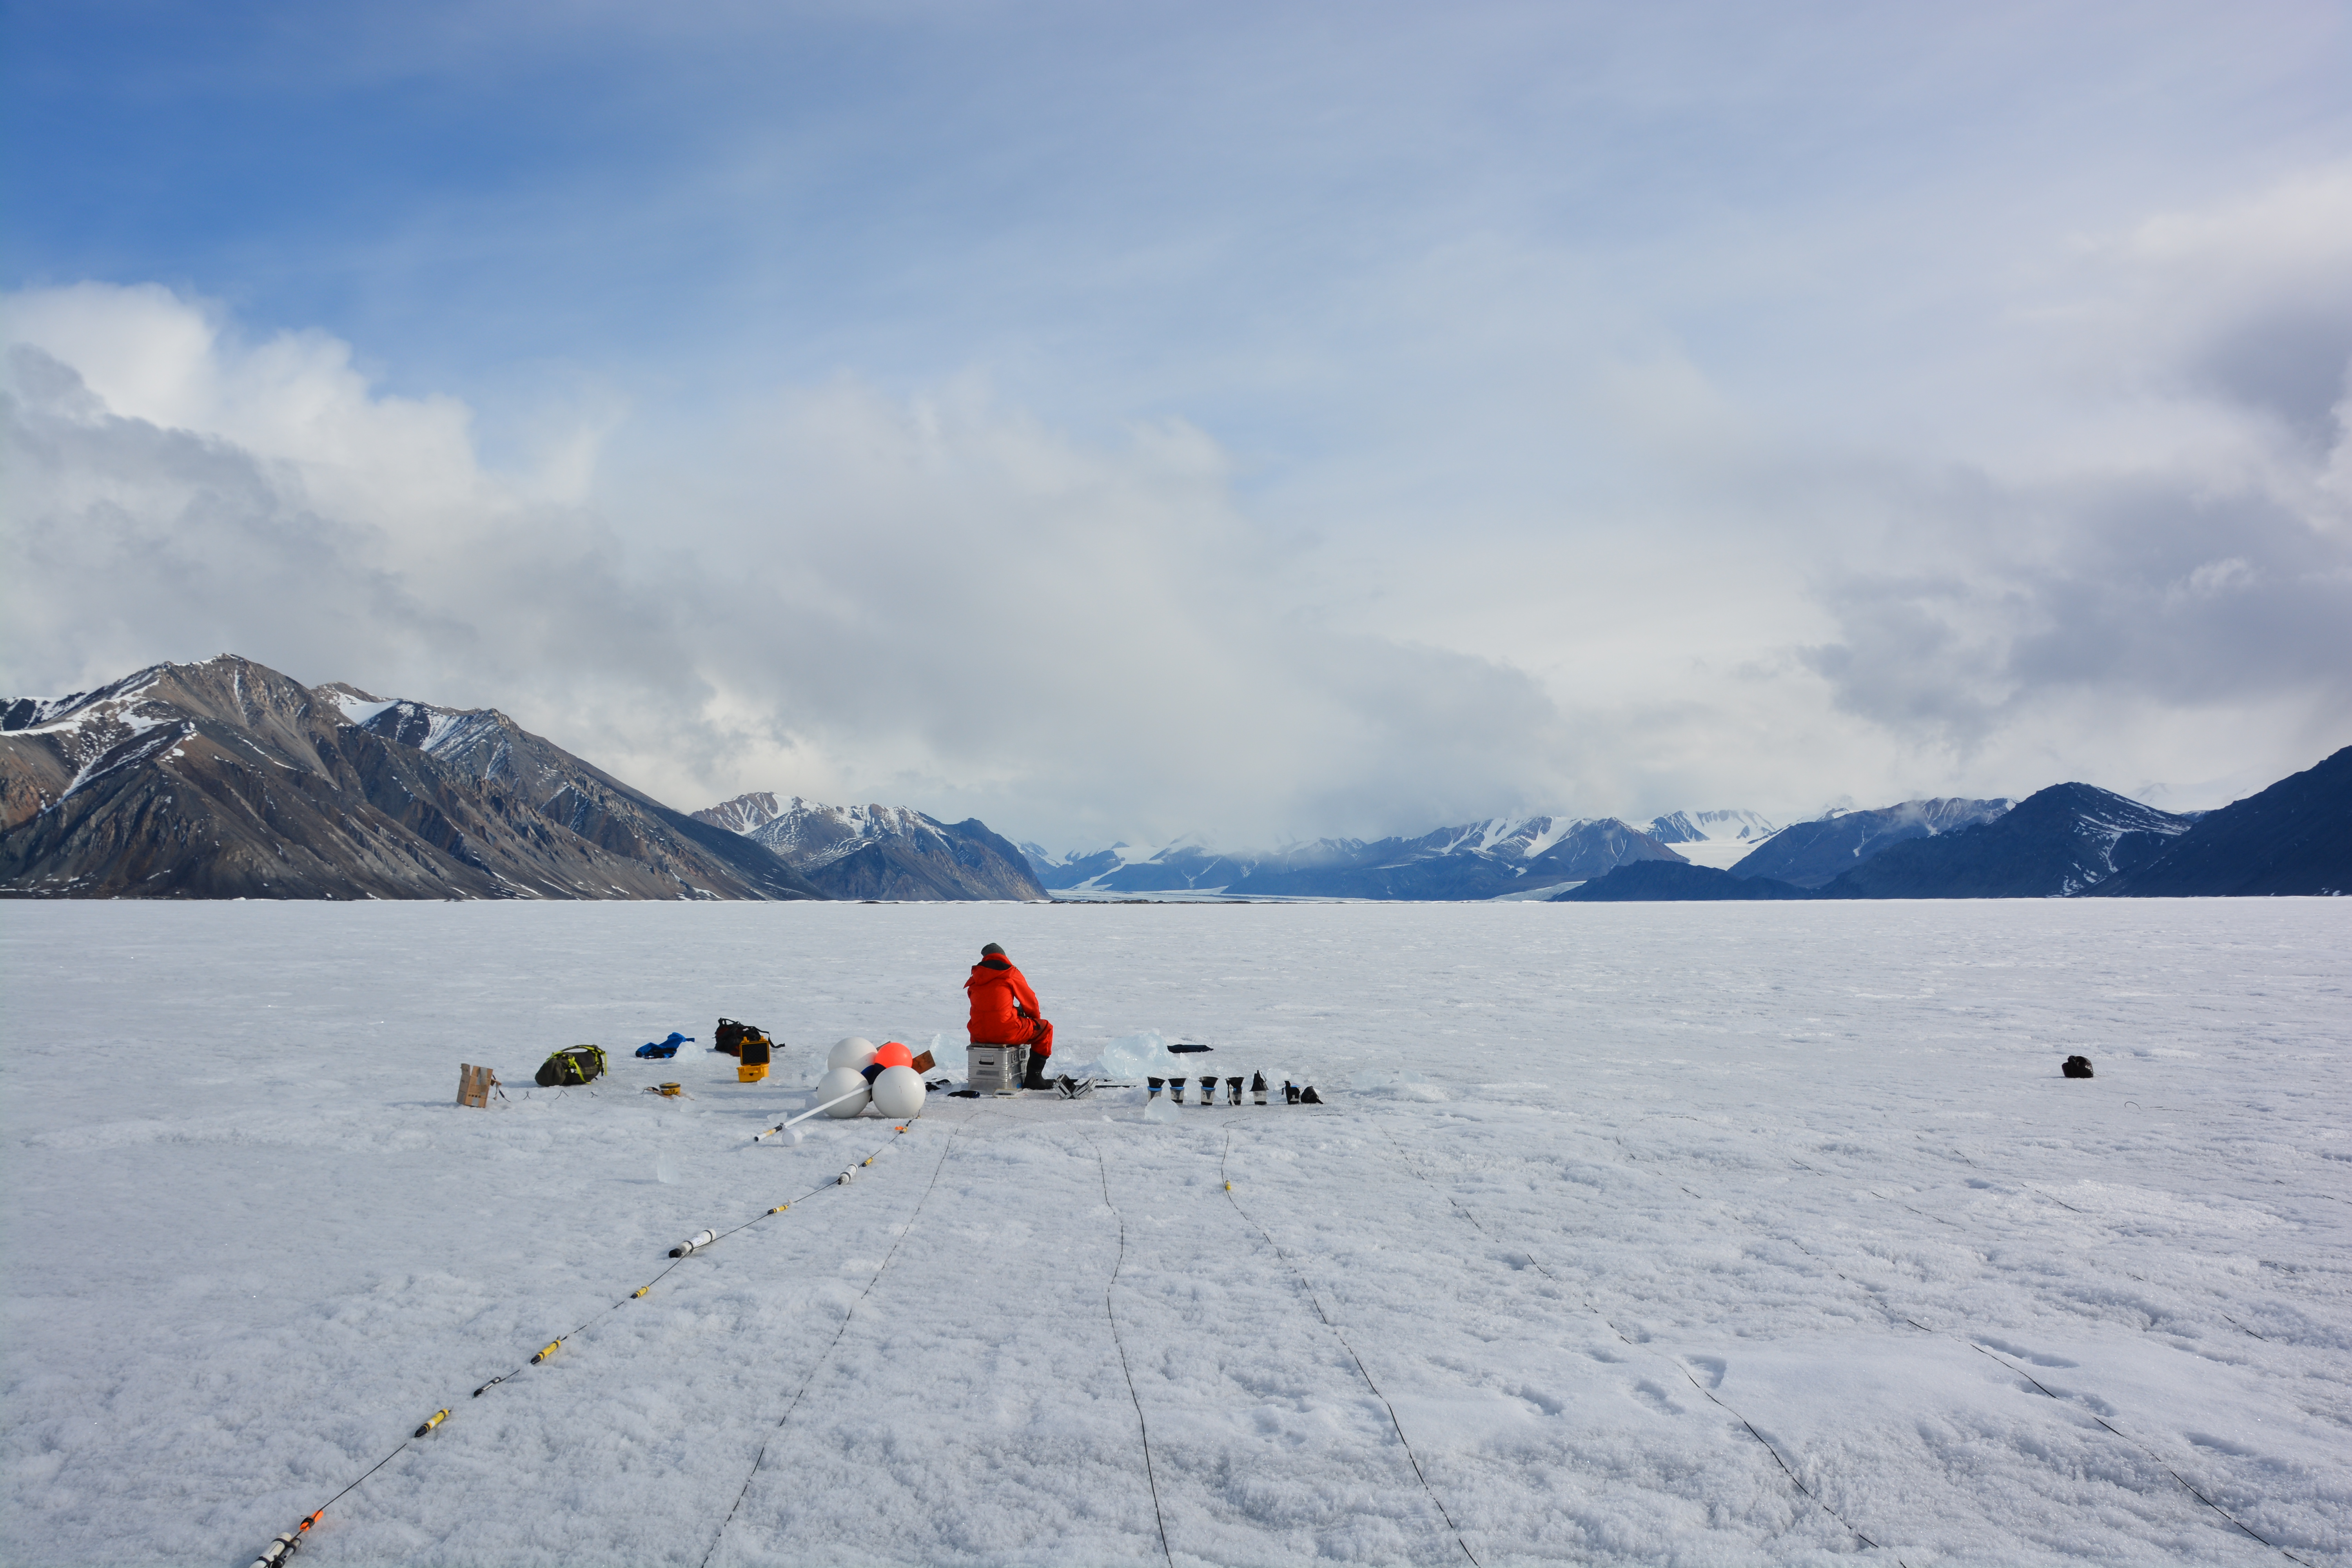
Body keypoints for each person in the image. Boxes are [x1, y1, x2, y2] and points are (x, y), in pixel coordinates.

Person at [966, 941, 1055, 1090]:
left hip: (978, 1035)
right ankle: (1034, 1078)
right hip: (1007, 1031)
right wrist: (1035, 1020)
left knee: (984, 1023)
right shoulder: (1010, 973)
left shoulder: (975, 978)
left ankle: (981, 1074)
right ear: (1003, 957)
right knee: (1046, 1030)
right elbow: (1030, 1002)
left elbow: (988, 1008)